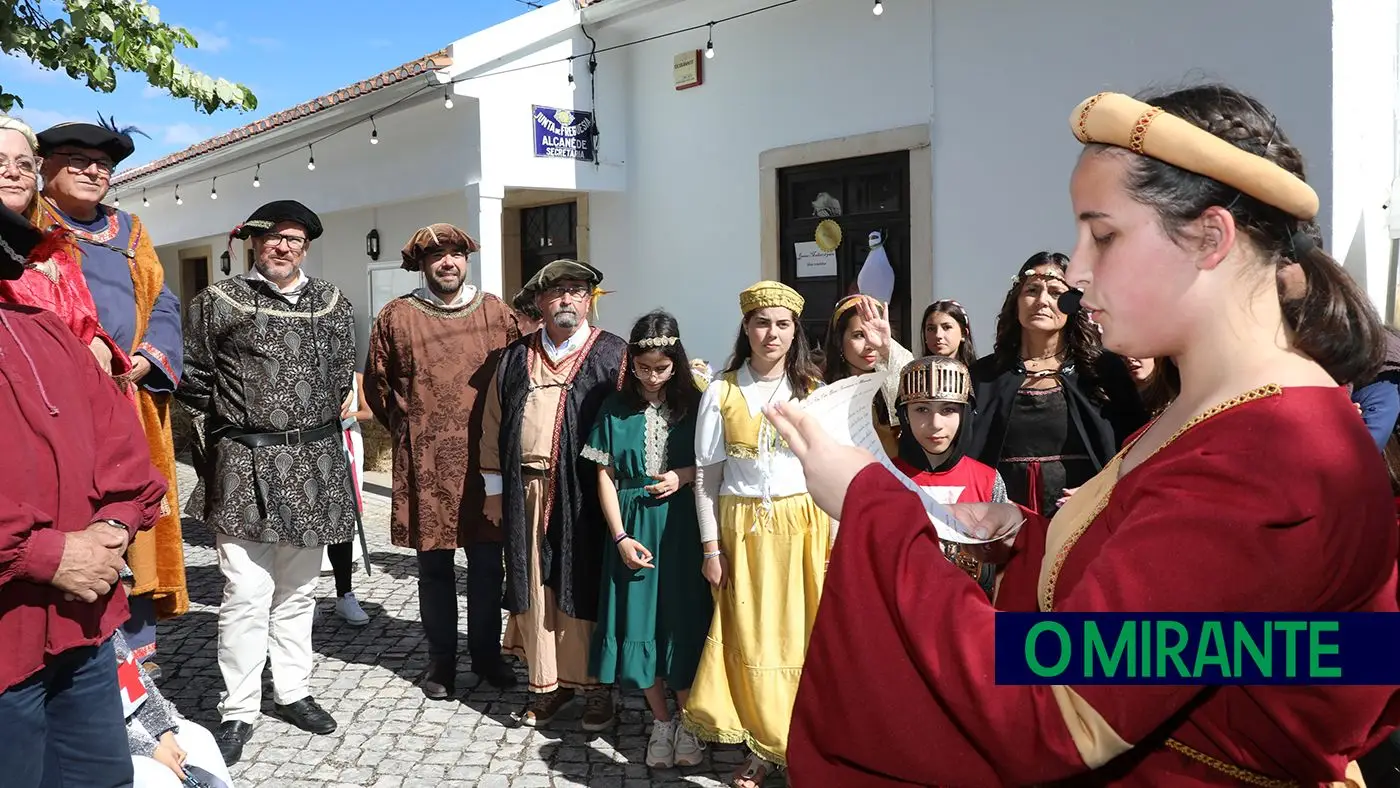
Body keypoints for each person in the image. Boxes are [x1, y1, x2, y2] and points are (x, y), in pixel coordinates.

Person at [773, 85, 1398, 786]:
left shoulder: (1271, 453)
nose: (1074, 272)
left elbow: (1056, 709)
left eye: (1102, 235)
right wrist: (1020, 537)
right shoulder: (1234, 414)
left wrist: (870, 503)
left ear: (1211, 239)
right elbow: (1213, 633)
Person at [178, 200, 358, 765]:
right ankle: (238, 708)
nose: (283, 247)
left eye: (294, 239)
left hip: (313, 467)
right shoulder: (218, 302)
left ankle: (294, 689)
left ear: (306, 245)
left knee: (300, 590)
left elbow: (342, 377)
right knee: (244, 594)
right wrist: (237, 433)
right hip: (245, 467)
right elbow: (194, 381)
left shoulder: (332, 303)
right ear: (255, 243)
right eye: (273, 238)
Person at [0, 201, 168, 788]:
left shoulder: (43, 328)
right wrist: (47, 556)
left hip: (82, 628)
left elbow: (122, 445)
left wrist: (115, 527)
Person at [36, 116, 187, 676]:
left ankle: (137, 675)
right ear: (45, 168)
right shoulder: (27, 226)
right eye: (77, 159)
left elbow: (164, 301)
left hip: (129, 399)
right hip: (56, 401)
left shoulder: (131, 229)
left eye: (102, 164)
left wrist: (150, 355)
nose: (93, 170)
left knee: (134, 521)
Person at [681, 280, 828, 788]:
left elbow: (826, 470)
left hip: (805, 526)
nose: (772, 333)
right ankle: (765, 744)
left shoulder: (812, 391)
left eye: (782, 324)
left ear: (795, 331)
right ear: (746, 328)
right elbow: (707, 479)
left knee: (805, 636)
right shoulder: (721, 391)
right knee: (753, 638)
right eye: (762, 322)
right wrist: (709, 548)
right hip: (742, 530)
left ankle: (808, 739)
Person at [363, 223, 520, 698]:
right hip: (427, 465)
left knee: (489, 567)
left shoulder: (497, 313)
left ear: (466, 259)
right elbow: (377, 384)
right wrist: (412, 432)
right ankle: (441, 661)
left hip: (484, 465)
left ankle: (488, 655)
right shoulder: (397, 316)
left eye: (455, 253)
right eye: (437, 256)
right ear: (421, 264)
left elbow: (518, 379)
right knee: (434, 571)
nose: (447, 262)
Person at [479, 258, 627, 728]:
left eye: (578, 291)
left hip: (588, 494)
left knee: (585, 582)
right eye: (558, 291)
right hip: (525, 492)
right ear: (540, 302)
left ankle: (598, 688)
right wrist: (495, 491)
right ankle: (548, 685)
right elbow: (492, 425)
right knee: (536, 586)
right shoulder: (514, 357)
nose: (568, 299)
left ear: (590, 302)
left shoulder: (612, 355)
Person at [584, 310, 711, 768]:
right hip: (633, 526)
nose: (653, 377)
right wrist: (619, 536)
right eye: (643, 368)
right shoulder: (615, 407)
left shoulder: (696, 406)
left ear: (676, 362)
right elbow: (604, 473)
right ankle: (661, 722)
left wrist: (683, 475)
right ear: (631, 363)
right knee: (639, 625)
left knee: (681, 621)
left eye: (662, 368)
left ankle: (690, 722)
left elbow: (720, 465)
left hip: (683, 527)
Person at [966, 251, 1147, 515]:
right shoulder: (985, 376)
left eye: (1054, 292)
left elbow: (1135, 447)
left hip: (1081, 517)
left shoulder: (1102, 372)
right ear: (1016, 300)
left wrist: (1099, 493)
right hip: (1004, 522)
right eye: (1032, 290)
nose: (1042, 301)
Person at [0, 115, 129, 378]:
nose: (13, 172)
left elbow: (85, 322)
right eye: (78, 161)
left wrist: (99, 343)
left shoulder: (56, 255)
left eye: (24, 164)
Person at [889, 354, 1009, 599]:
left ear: (966, 414)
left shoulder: (987, 481)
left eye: (948, 410)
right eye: (922, 409)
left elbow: (1003, 569)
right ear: (904, 414)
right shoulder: (883, 479)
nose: (935, 424)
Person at [113, 623, 235, 788]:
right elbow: (90, 727)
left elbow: (140, 686)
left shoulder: (110, 634)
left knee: (200, 739)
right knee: (159, 778)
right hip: (103, 746)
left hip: (132, 725)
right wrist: (153, 750)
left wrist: (165, 734)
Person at [821, 294, 914, 457]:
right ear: (839, 341)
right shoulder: (820, 388)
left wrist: (886, 349)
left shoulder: (893, 381)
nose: (870, 344)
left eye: (876, 334)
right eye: (859, 335)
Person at [323, 370, 371, 627]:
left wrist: (345, 417)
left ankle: (345, 593)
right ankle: (303, 597)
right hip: (309, 444)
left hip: (345, 443)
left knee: (342, 519)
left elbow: (369, 411)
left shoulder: (353, 372)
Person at [919, 298, 977, 366]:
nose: (938, 335)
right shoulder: (913, 374)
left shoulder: (978, 374)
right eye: (931, 329)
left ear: (963, 333)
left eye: (947, 327)